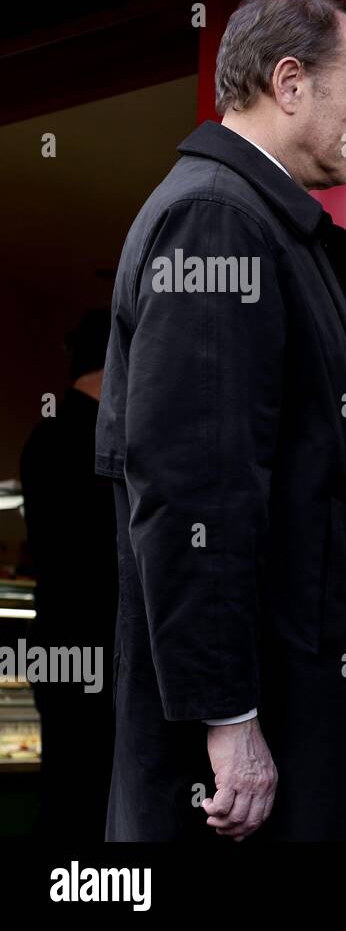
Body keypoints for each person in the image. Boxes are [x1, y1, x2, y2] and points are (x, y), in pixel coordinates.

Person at [95, 0, 346, 841]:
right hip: (279, 728)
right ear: (288, 83)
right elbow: (193, 488)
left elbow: (319, 390)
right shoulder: (214, 222)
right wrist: (229, 719)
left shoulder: (247, 217)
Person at [20, 309, 117, 840]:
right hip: (94, 648)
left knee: (66, 787)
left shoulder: (46, 435)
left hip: (58, 643)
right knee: (91, 796)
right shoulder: (96, 439)